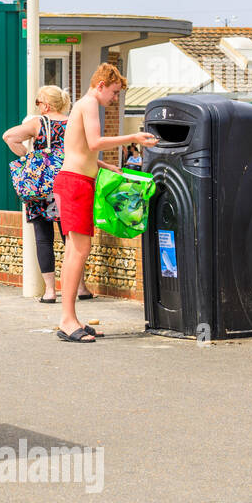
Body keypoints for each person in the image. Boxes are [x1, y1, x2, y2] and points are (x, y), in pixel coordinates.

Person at [53, 64, 158, 343]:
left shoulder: (82, 106)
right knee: (79, 250)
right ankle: (66, 320)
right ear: (100, 86)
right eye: (113, 93)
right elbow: (96, 141)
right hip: (75, 183)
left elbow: (79, 149)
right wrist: (134, 137)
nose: (114, 99)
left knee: (76, 250)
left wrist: (106, 166)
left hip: (78, 181)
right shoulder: (88, 104)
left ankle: (70, 318)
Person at [2, 85, 93, 304]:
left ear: (46, 104)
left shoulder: (37, 123)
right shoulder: (73, 122)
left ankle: (50, 291)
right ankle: (80, 287)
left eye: (38, 102)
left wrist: (30, 155)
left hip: (41, 189)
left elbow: (9, 137)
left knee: (44, 239)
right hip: (68, 184)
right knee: (70, 238)